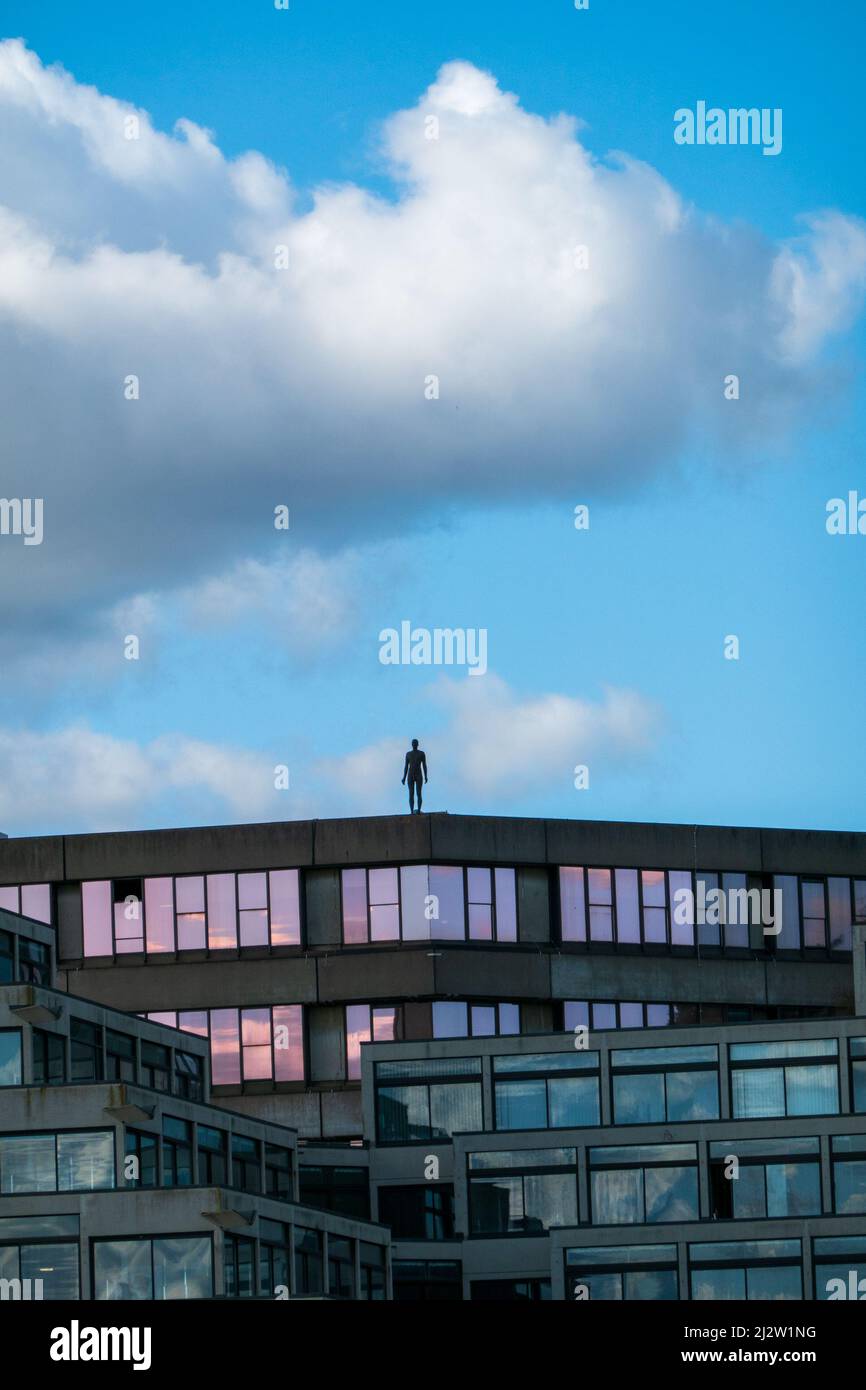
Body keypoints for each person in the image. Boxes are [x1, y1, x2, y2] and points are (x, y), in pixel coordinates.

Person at [402, 739, 428, 813]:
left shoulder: (421, 753)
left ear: (418, 744)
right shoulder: (408, 754)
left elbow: (424, 765)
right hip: (410, 774)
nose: (414, 744)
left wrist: (426, 776)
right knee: (411, 793)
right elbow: (406, 766)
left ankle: (419, 810)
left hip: (419, 774)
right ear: (411, 744)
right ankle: (411, 811)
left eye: (415, 743)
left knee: (419, 793)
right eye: (413, 743)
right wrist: (404, 777)